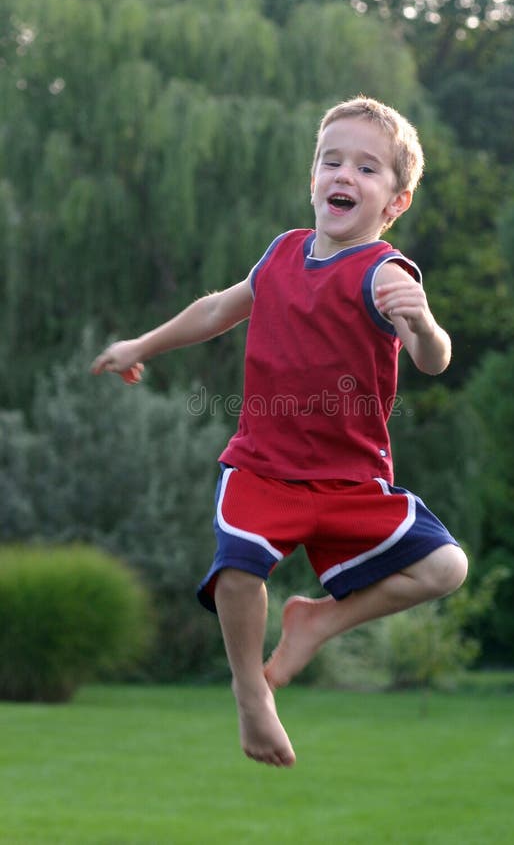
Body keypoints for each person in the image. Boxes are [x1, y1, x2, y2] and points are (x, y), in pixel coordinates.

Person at [92, 96, 468, 769]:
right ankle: (250, 696)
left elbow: (431, 359)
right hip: (264, 465)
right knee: (238, 573)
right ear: (313, 177)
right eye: (331, 161)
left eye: (367, 167)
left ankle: (319, 619)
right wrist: (140, 344)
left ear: (396, 201)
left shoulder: (386, 272)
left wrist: (423, 322)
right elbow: (217, 309)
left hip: (351, 480)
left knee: (445, 566)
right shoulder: (282, 253)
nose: (343, 175)